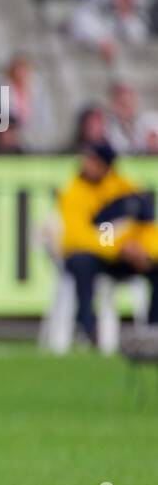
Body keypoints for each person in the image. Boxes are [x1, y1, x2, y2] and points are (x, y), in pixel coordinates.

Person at [58, 141, 158, 346]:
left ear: (105, 165)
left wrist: (144, 252)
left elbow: (146, 226)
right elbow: (78, 236)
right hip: (98, 256)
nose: (86, 164)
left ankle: (152, 329)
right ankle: (87, 328)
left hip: (125, 256)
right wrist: (118, 249)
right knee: (81, 262)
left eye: (92, 160)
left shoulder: (125, 188)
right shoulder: (74, 191)